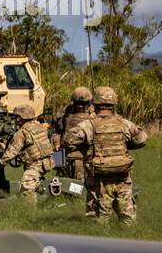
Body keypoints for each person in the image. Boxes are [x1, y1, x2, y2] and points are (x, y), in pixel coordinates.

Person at [63, 86, 148, 224]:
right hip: (122, 177)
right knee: (128, 220)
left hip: (98, 180)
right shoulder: (124, 123)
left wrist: (86, 147)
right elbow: (142, 139)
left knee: (98, 222)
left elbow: (68, 141)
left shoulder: (88, 125)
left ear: (94, 103)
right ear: (114, 103)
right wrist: (125, 145)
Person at [0, 105, 54, 202]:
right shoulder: (39, 126)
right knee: (33, 185)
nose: (16, 120)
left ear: (21, 118)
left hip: (36, 164)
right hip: (49, 161)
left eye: (17, 117)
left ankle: (30, 214)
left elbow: (11, 153)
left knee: (27, 187)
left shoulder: (22, 133)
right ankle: (44, 202)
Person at [53, 87, 94, 181]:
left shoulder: (94, 114)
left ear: (88, 103)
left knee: (79, 185)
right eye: (77, 103)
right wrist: (56, 143)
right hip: (65, 154)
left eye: (83, 103)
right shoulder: (66, 112)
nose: (80, 106)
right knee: (61, 180)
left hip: (84, 156)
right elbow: (57, 131)